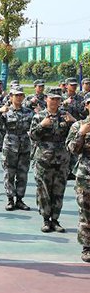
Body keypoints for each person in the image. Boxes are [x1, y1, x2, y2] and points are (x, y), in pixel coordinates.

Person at [29, 88, 75, 233]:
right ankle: (45, 219)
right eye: (52, 98)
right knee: (44, 191)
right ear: (46, 99)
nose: (55, 101)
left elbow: (75, 135)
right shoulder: (39, 116)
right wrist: (42, 125)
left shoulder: (65, 116)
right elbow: (33, 136)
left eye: (57, 99)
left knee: (59, 190)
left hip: (61, 160)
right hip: (44, 159)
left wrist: (73, 122)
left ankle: (55, 219)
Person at [0, 87, 34, 211]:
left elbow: (34, 126)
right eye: (16, 95)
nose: (19, 98)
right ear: (11, 97)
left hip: (24, 145)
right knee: (9, 174)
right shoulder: (5, 111)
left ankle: (20, 199)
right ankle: (10, 199)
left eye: (21, 95)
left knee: (22, 174)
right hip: (10, 145)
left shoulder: (28, 112)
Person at [66, 93, 90, 263]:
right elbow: (72, 149)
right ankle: (87, 247)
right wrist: (81, 134)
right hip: (86, 176)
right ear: (87, 106)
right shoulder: (78, 125)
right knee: (86, 213)